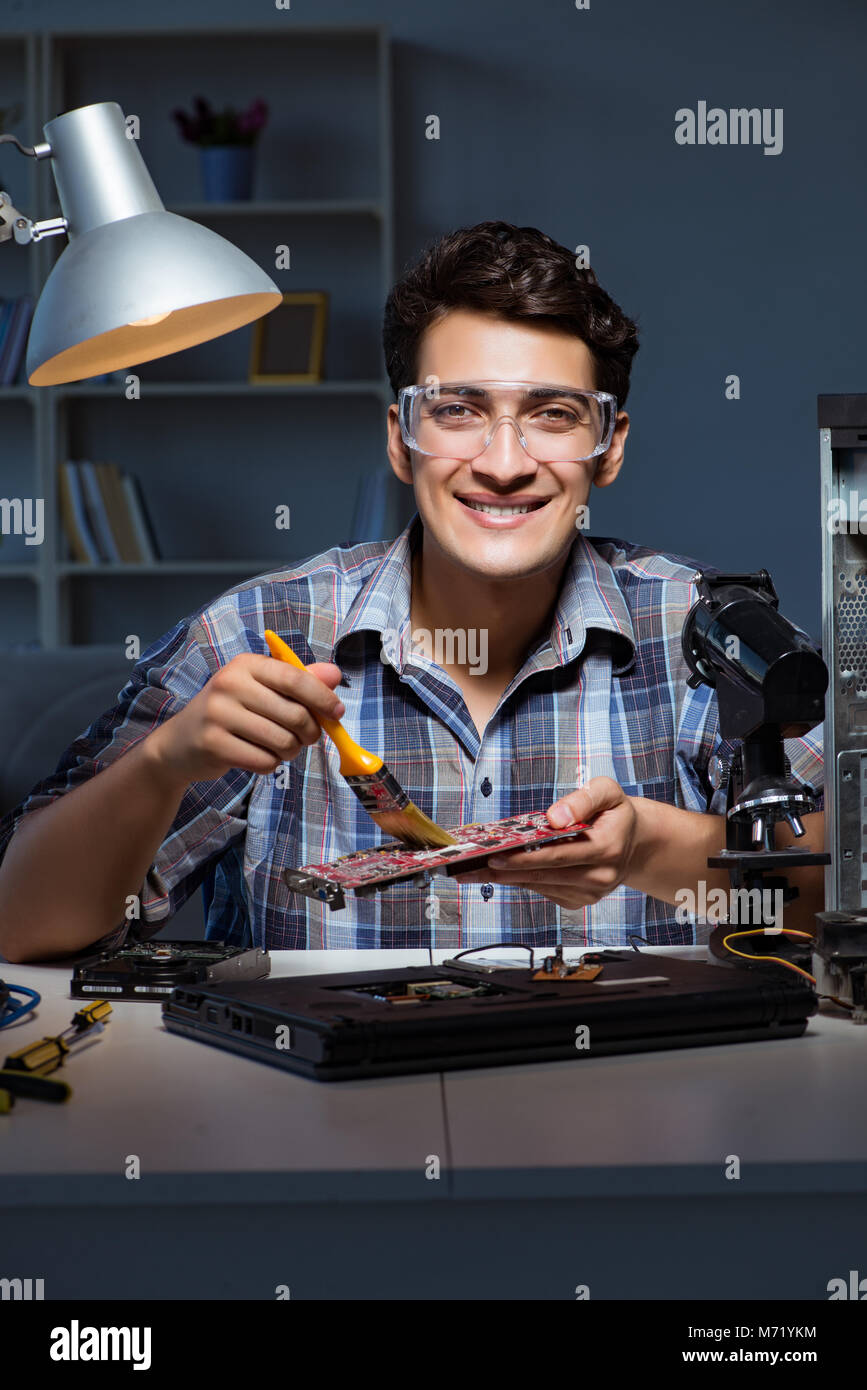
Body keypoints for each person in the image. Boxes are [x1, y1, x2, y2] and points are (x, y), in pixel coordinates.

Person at [0, 220, 823, 963]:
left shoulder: (709, 630)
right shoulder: (254, 630)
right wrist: (164, 764)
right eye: (457, 410)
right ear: (400, 440)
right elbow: (19, 925)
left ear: (607, 447)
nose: (504, 463)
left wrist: (648, 849)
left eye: (552, 414)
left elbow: (841, 900)